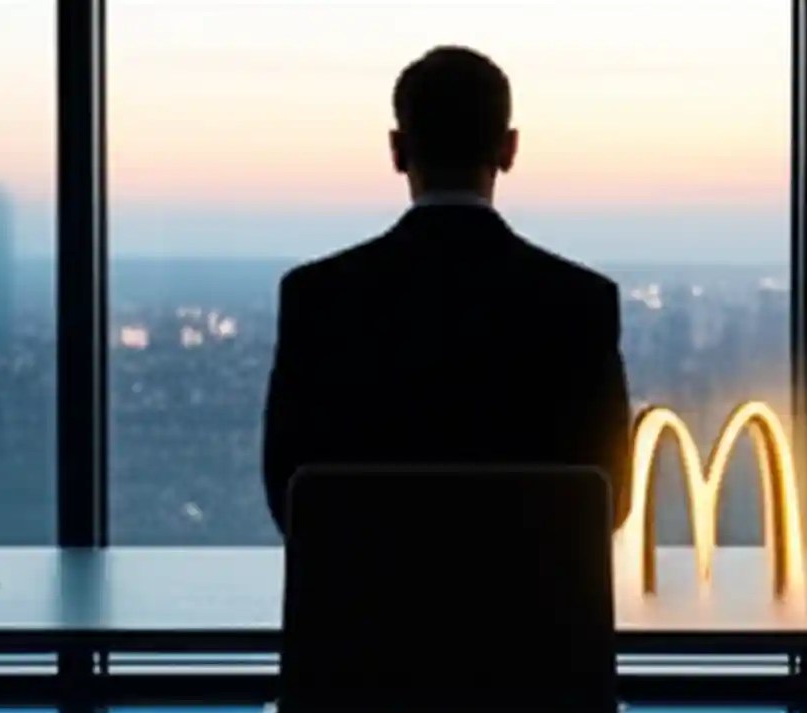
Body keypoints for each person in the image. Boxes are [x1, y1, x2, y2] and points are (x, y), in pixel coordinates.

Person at [262, 46, 632, 537]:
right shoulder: (580, 302)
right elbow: (610, 502)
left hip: (367, 608)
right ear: (509, 149)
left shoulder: (319, 297)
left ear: (397, 150)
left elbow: (289, 497)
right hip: (529, 609)